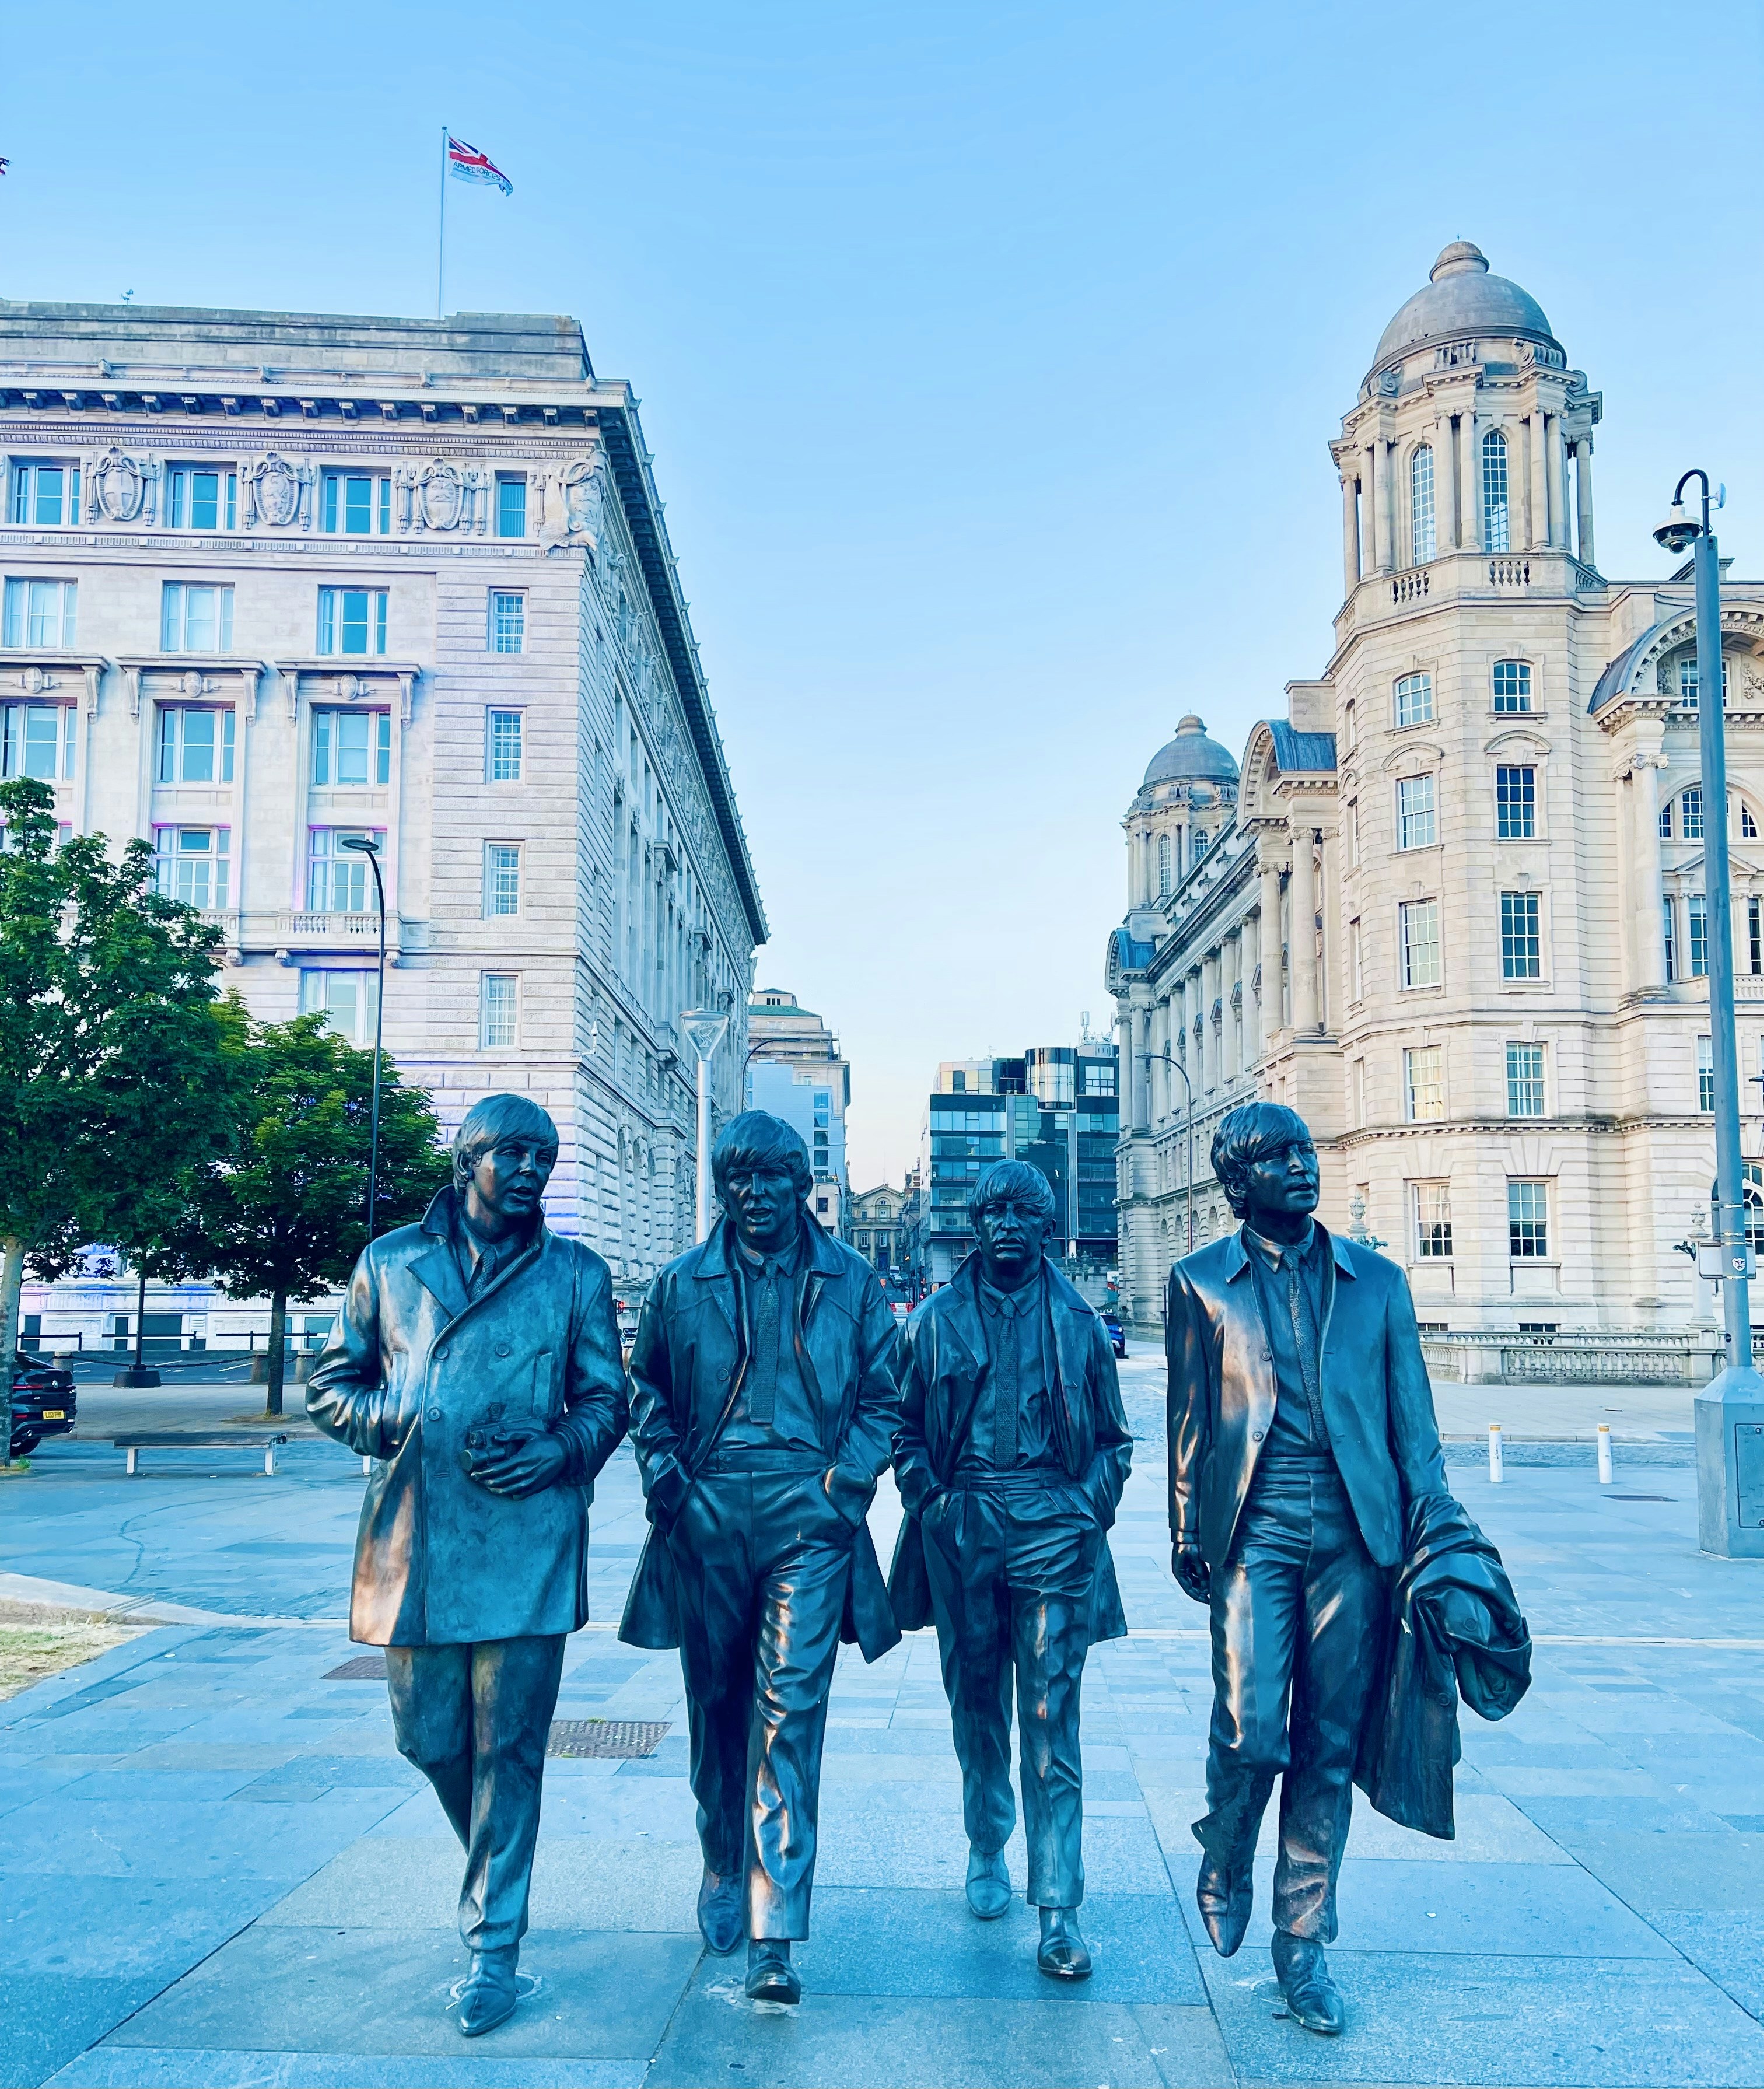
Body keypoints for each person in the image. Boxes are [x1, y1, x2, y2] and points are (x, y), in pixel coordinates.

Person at [308, 1094, 628, 2038]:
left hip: (527, 1537)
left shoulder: (574, 1272)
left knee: (512, 1752)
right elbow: (335, 1383)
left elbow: (608, 1397)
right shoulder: (391, 1261)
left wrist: (563, 1449)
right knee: (429, 1738)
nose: (533, 1169)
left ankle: (495, 1943)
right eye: (515, 1153)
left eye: (546, 1155)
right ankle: (496, 1866)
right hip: (417, 1532)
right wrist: (395, 1419)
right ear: (468, 1160)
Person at [1166, 1101, 1450, 2037]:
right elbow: (1191, 1423)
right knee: (1252, 1733)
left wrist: (1433, 1530)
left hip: (1357, 1536)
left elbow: (1417, 1427)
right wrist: (1183, 1529)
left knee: (1327, 1743)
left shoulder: (1378, 1282)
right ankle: (1225, 1846)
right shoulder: (1201, 1281)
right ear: (1239, 1182)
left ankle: (1304, 1939)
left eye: (1306, 1151)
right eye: (1278, 1156)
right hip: (1254, 1526)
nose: (1302, 1166)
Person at [619, 1110, 901, 2004]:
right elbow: (645, 1390)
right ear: (722, 1188)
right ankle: (720, 1857)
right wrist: (669, 1482)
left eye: (770, 1178)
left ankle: (776, 1925)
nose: (753, 1194)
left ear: (797, 1181)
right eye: (736, 1179)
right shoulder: (680, 1282)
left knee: (791, 1713)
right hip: (708, 1507)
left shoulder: (853, 1281)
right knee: (717, 1707)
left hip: (808, 1514)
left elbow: (883, 1399)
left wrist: (844, 1488)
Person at [890, 1160, 1132, 1981]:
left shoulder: (1081, 1323)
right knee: (978, 1706)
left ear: (1044, 1226)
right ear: (974, 1224)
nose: (1005, 1226)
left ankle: (1060, 1905)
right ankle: (987, 1839)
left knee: (1052, 1718)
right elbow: (904, 1433)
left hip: (1053, 1529)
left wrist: (1085, 1507)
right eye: (991, 1211)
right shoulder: (932, 1322)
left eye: (1023, 1213)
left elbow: (1114, 1440)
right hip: (966, 1527)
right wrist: (935, 1505)